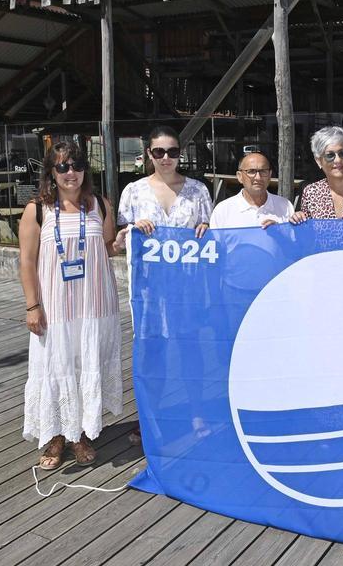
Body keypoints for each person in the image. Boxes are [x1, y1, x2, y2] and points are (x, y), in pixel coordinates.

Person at [19, 141, 122, 470]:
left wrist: (118, 244)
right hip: (55, 309)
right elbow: (26, 261)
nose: (70, 173)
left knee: (83, 364)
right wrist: (32, 305)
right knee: (55, 367)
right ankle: (55, 436)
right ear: (51, 172)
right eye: (62, 167)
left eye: (76, 166)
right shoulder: (38, 209)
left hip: (94, 307)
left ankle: (79, 434)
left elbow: (106, 249)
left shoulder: (100, 205)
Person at [113, 125, 213, 445]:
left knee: (190, 352)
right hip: (149, 291)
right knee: (152, 354)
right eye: (159, 152)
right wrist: (131, 229)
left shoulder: (198, 191)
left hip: (187, 288)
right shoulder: (134, 191)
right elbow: (118, 243)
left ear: (180, 154)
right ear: (149, 155)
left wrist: (205, 229)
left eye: (172, 151)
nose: (166, 157)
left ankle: (197, 412)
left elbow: (210, 233)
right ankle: (149, 418)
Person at [209, 151, 295, 229]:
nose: (258, 177)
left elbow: (293, 243)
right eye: (251, 171)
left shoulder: (285, 206)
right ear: (240, 176)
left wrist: (280, 232)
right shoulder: (223, 210)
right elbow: (216, 244)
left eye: (263, 171)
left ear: (270, 175)